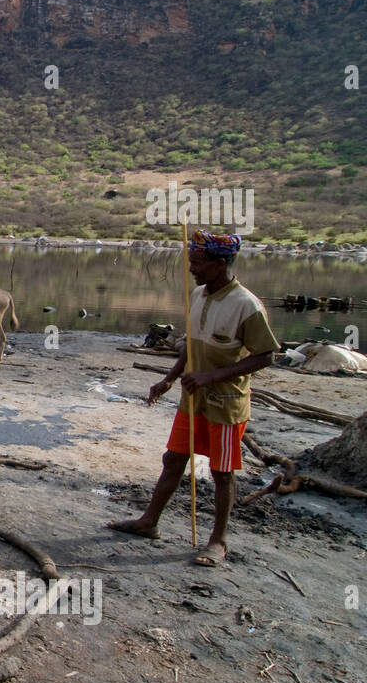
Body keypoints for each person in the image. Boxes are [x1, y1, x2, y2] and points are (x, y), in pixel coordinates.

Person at [108, 230, 279, 566]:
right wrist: (168, 379)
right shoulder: (199, 295)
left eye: (198, 263)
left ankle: (218, 542)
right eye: (191, 262)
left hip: (226, 403)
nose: (192, 269)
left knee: (222, 472)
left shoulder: (247, 305)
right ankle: (149, 522)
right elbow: (192, 346)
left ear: (219, 264)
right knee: (173, 459)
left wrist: (211, 376)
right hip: (192, 398)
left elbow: (266, 355)